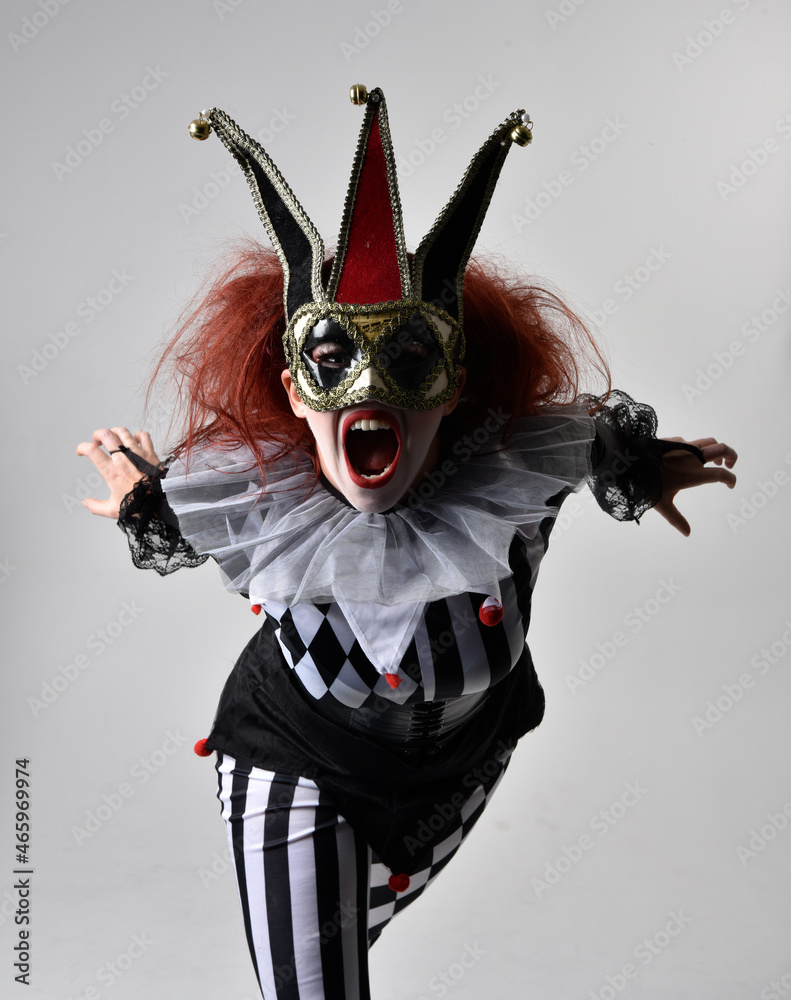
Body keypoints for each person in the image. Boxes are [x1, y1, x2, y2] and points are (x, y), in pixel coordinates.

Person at [76, 86, 737, 1000]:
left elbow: (601, 448)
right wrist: (147, 499)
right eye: (331, 365)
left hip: (461, 773)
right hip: (296, 761)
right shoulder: (259, 493)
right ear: (295, 392)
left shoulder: (512, 464)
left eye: (413, 363)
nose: (366, 391)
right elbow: (171, 508)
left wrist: (652, 467)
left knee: (338, 949)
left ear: (455, 385)